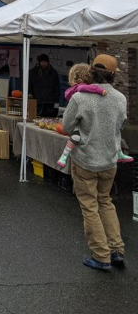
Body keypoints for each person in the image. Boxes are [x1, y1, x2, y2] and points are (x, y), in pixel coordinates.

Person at [61, 55, 127, 271]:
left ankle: (101, 255)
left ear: (91, 71)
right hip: (109, 160)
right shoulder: (120, 98)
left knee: (90, 206)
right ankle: (117, 249)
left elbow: (67, 125)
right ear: (114, 74)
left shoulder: (80, 98)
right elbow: (120, 124)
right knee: (105, 201)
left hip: (85, 160)